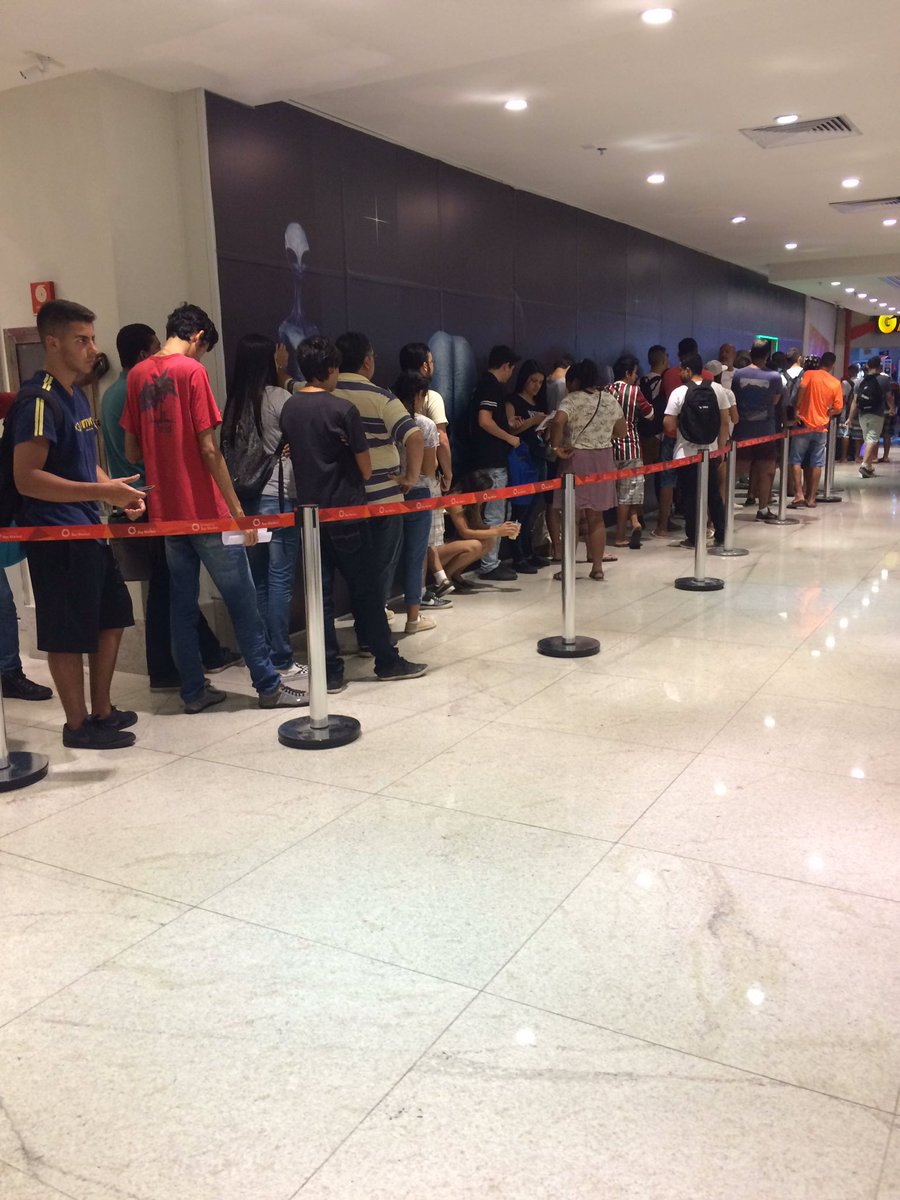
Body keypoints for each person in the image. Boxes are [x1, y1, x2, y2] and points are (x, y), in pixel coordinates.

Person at [122, 303, 308, 714]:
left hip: (167, 512)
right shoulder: (191, 372)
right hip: (205, 508)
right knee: (242, 601)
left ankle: (193, 691)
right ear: (199, 337)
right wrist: (235, 508)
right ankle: (268, 685)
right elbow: (209, 448)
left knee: (181, 605)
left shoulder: (137, 376)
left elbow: (132, 448)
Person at [12, 300, 146, 749]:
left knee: (111, 619)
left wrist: (116, 490)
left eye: (92, 339)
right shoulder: (38, 399)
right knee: (68, 635)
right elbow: (27, 478)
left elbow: (86, 467)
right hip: (57, 536)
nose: (92, 349)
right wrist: (102, 493)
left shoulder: (76, 395)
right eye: (81, 340)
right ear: (52, 342)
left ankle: (102, 710)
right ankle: (76, 726)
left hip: (89, 531)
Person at [280, 336, 426, 686]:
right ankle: (386, 660)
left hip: (310, 514)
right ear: (332, 367)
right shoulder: (343, 409)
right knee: (367, 589)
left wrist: (281, 368)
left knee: (322, 594)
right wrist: (407, 475)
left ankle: (330, 671)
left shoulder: (291, 407)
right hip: (347, 508)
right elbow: (364, 468)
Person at [100, 322, 238, 690]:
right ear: (145, 353)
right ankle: (168, 668)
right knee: (172, 593)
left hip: (141, 500)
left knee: (171, 590)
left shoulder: (112, 392)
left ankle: (191, 663)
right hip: (153, 499)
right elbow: (195, 448)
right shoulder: (149, 385)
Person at [220, 334, 303, 680]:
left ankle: (267, 652)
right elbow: (303, 428)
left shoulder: (232, 403)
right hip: (278, 494)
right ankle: (282, 655)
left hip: (245, 499)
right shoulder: (279, 397)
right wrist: (284, 371)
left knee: (260, 580)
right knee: (281, 577)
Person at [333, 332, 424, 625]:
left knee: (352, 569)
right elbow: (414, 436)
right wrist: (409, 476)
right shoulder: (381, 396)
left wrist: (282, 370)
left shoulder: (322, 392)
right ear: (367, 361)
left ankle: (363, 625)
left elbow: (289, 383)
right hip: (384, 496)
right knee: (381, 567)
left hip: (340, 498)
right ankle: (372, 631)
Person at [548, 359, 625, 581]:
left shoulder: (571, 400)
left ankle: (569, 568)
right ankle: (598, 568)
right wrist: (601, 436)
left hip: (576, 459)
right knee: (596, 517)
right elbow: (621, 431)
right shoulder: (609, 399)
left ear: (575, 380)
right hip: (603, 460)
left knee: (571, 517)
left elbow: (558, 421)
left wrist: (556, 447)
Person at [399, 342, 454, 608]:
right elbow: (436, 450)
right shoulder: (426, 419)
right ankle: (417, 603)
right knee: (419, 547)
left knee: (396, 550)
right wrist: (448, 473)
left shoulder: (389, 412)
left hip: (391, 491)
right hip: (421, 489)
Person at [663, 353, 730, 548]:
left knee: (690, 496)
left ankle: (693, 537)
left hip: (686, 453)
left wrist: (683, 427)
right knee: (713, 494)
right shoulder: (718, 390)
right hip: (711, 452)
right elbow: (725, 422)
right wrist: (720, 449)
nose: (680, 373)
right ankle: (721, 534)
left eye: (682, 369)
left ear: (688, 370)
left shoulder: (679, 392)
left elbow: (668, 424)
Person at [392, 371, 441, 634]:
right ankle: (413, 617)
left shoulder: (384, 419)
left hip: (387, 493)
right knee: (414, 556)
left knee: (384, 557)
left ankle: (379, 612)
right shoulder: (424, 425)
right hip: (418, 493)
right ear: (419, 395)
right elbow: (430, 468)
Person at [469, 344, 521, 581]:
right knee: (495, 513)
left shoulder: (483, 385)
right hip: (492, 460)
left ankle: (490, 560)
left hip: (483, 457)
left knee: (495, 511)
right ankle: (489, 564)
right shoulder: (491, 386)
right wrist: (510, 437)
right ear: (506, 366)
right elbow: (485, 420)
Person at [731, 339, 783, 521]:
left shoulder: (738, 375)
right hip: (765, 430)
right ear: (767, 355)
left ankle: (725, 505)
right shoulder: (775, 377)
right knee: (766, 469)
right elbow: (775, 401)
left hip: (741, 428)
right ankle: (763, 509)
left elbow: (733, 398)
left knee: (734, 469)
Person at [506, 359, 550, 572]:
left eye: (540, 382)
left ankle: (529, 551)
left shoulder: (540, 403)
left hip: (538, 456)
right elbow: (509, 430)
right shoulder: (513, 401)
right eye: (533, 381)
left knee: (532, 510)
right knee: (520, 509)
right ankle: (517, 556)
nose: (536, 386)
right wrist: (532, 422)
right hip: (520, 458)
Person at [610, 353, 654, 549]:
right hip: (631, 447)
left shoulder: (606, 391)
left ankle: (635, 522)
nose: (636, 376)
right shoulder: (635, 392)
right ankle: (621, 535)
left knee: (617, 492)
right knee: (628, 493)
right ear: (628, 373)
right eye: (635, 373)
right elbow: (650, 414)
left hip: (608, 448)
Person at [788, 352, 843, 508]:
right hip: (821, 427)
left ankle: (799, 494)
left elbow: (802, 388)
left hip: (803, 424)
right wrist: (827, 412)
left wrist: (797, 409)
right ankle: (811, 497)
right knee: (817, 462)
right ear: (832, 365)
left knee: (796, 460)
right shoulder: (835, 383)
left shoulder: (810, 374)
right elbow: (838, 408)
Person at [437, 496, 521, 590]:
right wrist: (497, 531)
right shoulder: (456, 501)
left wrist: (502, 528)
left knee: (489, 540)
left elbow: (478, 526)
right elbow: (465, 532)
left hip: (453, 543)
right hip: (439, 546)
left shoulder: (474, 502)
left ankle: (455, 574)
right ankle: (445, 577)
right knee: (475, 545)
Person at [850, 356, 893, 478]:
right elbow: (889, 397)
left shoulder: (859, 382)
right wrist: (892, 408)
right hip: (877, 413)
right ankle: (864, 466)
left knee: (867, 437)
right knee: (872, 438)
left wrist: (850, 417)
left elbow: (855, 401)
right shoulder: (884, 380)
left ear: (867, 367)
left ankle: (868, 466)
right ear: (880, 367)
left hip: (862, 414)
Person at [838, 366, 858, 463]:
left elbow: (842, 397)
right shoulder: (861, 382)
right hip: (857, 413)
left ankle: (843, 457)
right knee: (857, 435)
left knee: (845, 434)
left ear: (849, 372)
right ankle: (856, 455)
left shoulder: (845, 383)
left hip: (846, 412)